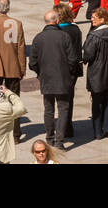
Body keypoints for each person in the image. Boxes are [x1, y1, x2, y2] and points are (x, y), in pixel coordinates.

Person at [28, 8, 80, 150]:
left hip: (46, 79)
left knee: (48, 109)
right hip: (63, 79)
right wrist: (68, 73)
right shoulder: (64, 37)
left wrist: (40, 72)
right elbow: (73, 59)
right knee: (63, 109)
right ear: (56, 21)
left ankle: (49, 137)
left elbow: (32, 62)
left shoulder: (38, 38)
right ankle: (59, 141)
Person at [82, 6, 108, 141]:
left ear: (102, 19)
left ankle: (98, 131)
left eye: (94, 18)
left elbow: (87, 55)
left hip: (97, 74)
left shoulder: (94, 36)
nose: (91, 20)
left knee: (97, 102)